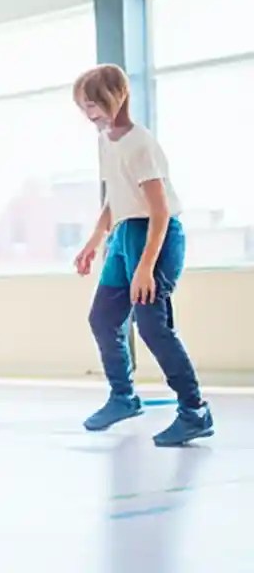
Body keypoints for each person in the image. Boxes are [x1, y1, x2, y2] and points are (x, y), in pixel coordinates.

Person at [71, 63, 213, 446]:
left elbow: (160, 210)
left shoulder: (140, 142)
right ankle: (123, 397)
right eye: (83, 106)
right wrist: (94, 241)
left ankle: (195, 410)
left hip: (157, 236)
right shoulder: (105, 139)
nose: (89, 114)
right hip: (123, 235)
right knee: (103, 318)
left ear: (117, 97)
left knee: (151, 325)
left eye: (93, 104)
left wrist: (146, 267)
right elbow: (114, 198)